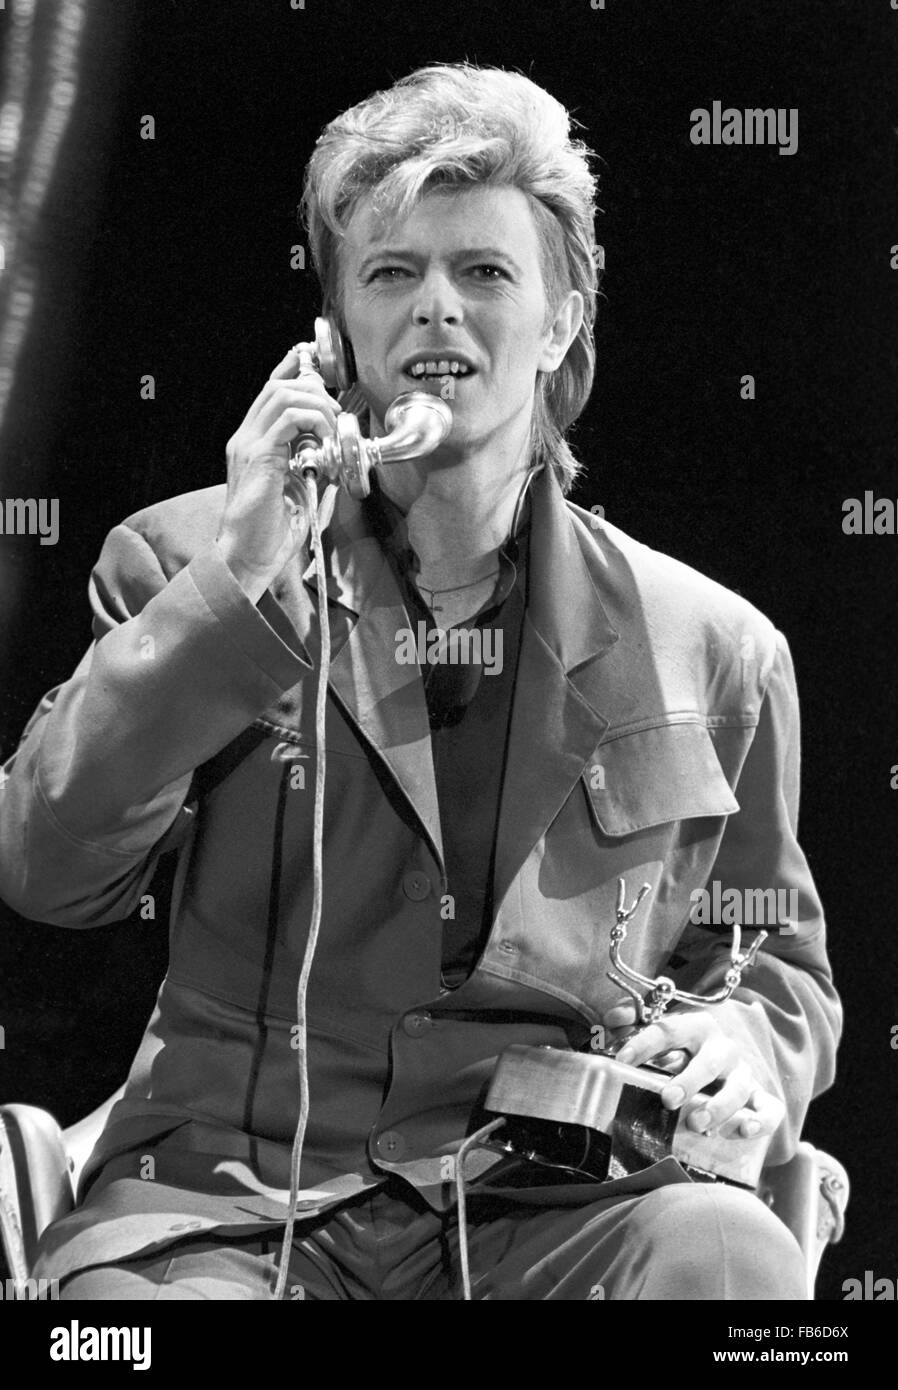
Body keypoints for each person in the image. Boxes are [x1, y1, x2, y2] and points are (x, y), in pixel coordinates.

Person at [0, 62, 840, 1300]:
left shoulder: (716, 643)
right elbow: (49, 869)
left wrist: (747, 1037)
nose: (435, 309)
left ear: (560, 322)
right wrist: (235, 594)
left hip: (552, 1196)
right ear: (333, 335)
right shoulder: (182, 563)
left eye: (484, 272)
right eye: (393, 274)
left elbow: (780, 961)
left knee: (729, 1262)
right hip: (229, 1203)